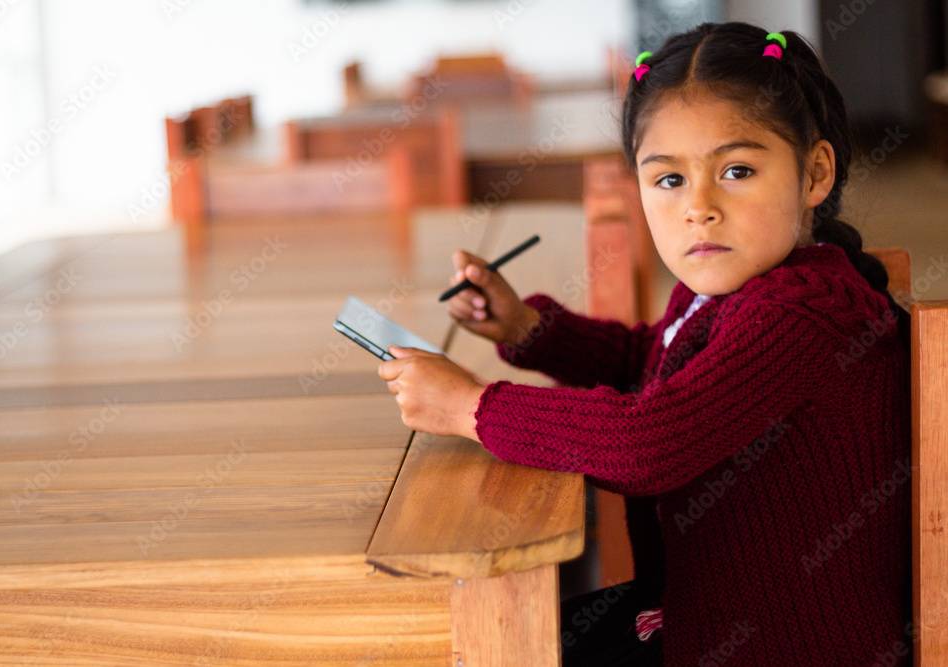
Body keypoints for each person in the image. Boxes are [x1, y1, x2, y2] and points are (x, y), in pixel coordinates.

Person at [378, 21, 911, 666]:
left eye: (737, 170)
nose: (699, 208)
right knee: (490, 637)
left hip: (783, 642)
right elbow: (652, 361)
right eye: (669, 180)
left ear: (815, 173)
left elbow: (650, 441)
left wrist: (470, 409)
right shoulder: (731, 283)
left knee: (484, 643)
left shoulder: (802, 313)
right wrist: (529, 331)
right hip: (700, 612)